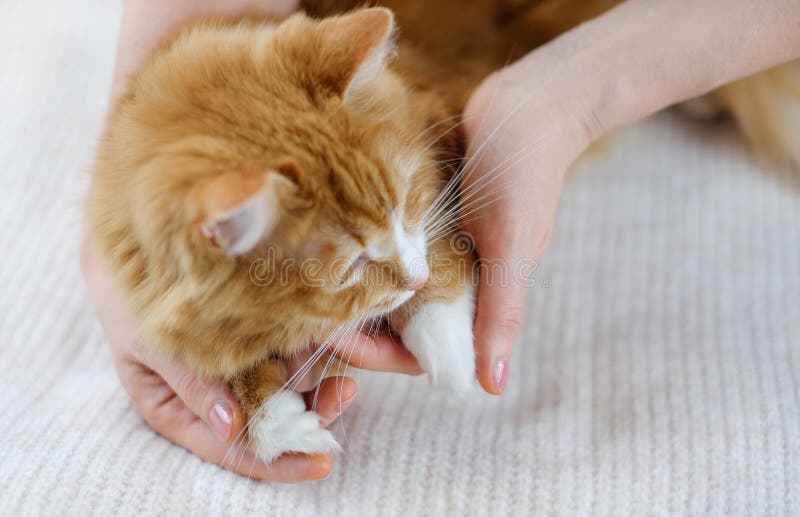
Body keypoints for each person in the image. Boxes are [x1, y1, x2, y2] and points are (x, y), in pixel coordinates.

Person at [81, 0, 800, 483]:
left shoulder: (351, 79)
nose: (415, 268)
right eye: (368, 258)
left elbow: (418, 121)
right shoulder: (228, 206)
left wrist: (578, 88)